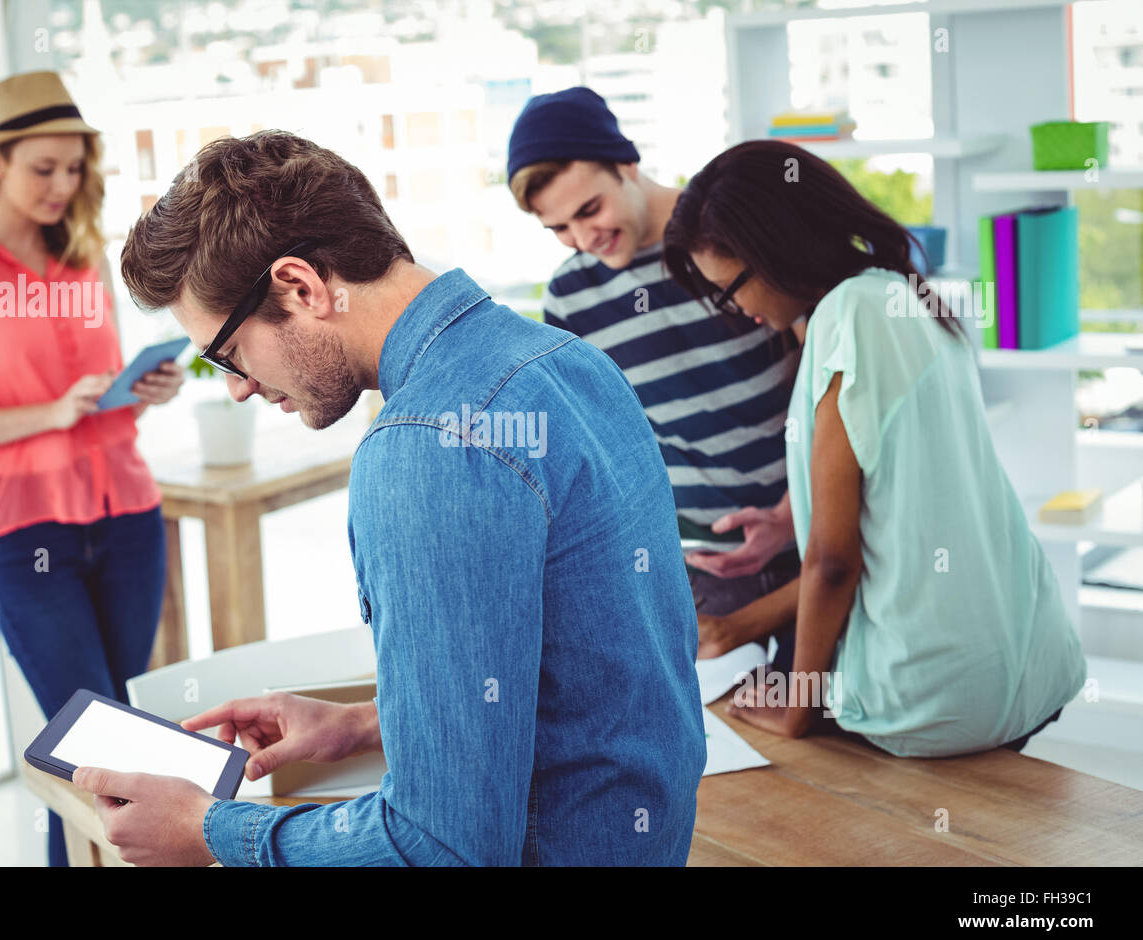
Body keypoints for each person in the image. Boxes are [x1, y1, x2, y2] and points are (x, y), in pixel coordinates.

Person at [69, 129, 706, 866]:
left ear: (301, 288)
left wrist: (207, 832)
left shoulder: (424, 447)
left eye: (228, 354)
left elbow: (443, 847)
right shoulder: (566, 360)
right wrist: (379, 723)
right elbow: (604, 683)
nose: (238, 387)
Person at [661, 139, 1087, 756]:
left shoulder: (847, 320)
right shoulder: (905, 295)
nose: (736, 311)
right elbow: (883, 547)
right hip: (1027, 663)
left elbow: (835, 561)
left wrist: (795, 709)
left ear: (774, 249)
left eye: (731, 291)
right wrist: (737, 627)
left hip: (931, 699)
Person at [0, 71, 184, 865]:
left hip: (126, 513)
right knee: (89, 746)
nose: (63, 185)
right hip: (25, 532)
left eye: (73, 168)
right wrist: (50, 412)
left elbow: (93, 397)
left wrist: (141, 391)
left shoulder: (84, 257)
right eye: (42, 167)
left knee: (135, 738)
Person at [506, 87, 802, 670]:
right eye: (559, 228)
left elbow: (832, 384)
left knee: (831, 729)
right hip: (700, 569)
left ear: (626, 164)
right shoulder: (570, 297)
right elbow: (604, 447)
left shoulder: (730, 232)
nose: (583, 239)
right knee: (734, 746)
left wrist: (794, 515)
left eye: (589, 210)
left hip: (817, 536)